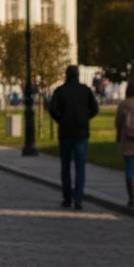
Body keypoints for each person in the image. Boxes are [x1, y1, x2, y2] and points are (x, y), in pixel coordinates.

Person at [48, 65, 100, 210]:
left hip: (65, 133)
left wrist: (60, 119)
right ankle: (78, 199)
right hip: (81, 133)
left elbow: (52, 109)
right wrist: (85, 118)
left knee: (65, 167)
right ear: (78, 75)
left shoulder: (60, 91)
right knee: (80, 168)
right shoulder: (85, 90)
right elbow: (95, 109)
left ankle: (67, 198)